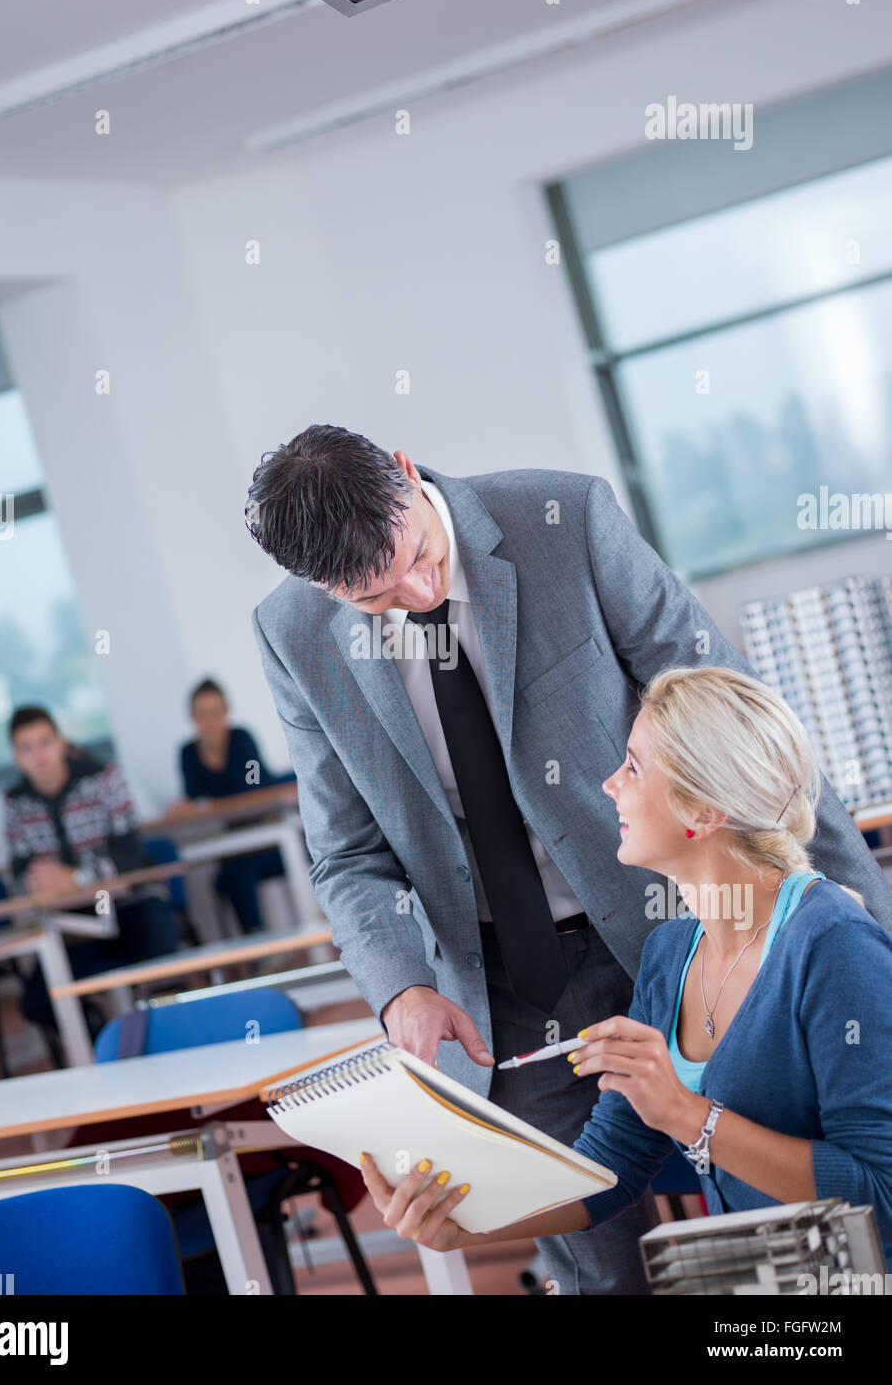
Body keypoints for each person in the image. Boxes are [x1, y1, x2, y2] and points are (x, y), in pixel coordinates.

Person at [246, 424, 892, 1295]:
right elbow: (346, 851)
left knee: (792, 1221)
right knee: (605, 1264)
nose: (418, 592)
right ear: (317, 586)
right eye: (375, 597)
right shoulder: (294, 633)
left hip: (681, 923)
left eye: (415, 558)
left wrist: (853, 913)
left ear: (405, 475)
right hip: (513, 986)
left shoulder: (566, 518)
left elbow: (735, 717)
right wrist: (405, 997)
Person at [360, 665, 892, 1273]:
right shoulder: (671, 957)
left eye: (634, 767)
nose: (611, 785)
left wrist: (686, 1114)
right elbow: (606, 1173)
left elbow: (880, 1191)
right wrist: (464, 1223)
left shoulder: (833, 945)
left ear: (705, 809)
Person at [3, 707, 181, 1045]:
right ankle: (107, 1044)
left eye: (45, 742)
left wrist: (77, 878)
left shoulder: (103, 777)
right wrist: (37, 882)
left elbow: (129, 856)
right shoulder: (15, 802)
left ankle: (169, 1041)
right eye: (27, 748)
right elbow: (20, 870)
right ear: (16, 758)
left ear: (61, 743)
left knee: (162, 959)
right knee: (38, 1001)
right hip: (73, 923)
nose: (39, 755)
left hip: (132, 905)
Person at [173, 678, 296, 934]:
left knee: (238, 870)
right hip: (235, 845)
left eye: (216, 712)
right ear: (192, 718)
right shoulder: (188, 753)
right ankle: (256, 946)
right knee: (233, 872)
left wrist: (208, 805)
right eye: (202, 714)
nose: (210, 721)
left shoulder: (241, 739)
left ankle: (260, 943)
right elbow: (192, 797)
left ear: (226, 712)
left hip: (267, 838)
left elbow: (251, 789)